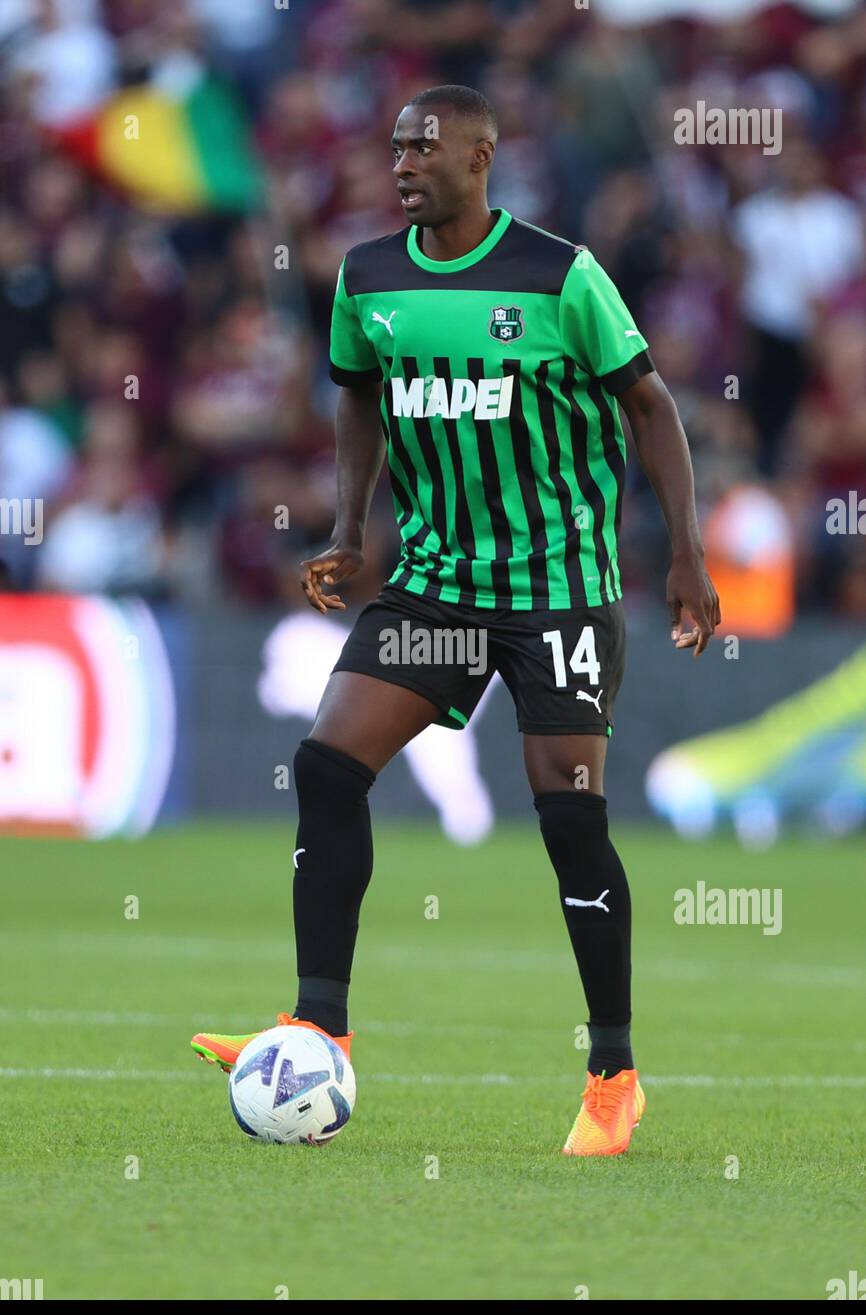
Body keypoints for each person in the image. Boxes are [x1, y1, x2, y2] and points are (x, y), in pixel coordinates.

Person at [192, 85, 720, 1156]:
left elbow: (649, 406)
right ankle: (315, 1022)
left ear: (480, 158)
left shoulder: (558, 274)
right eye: (393, 147)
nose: (402, 163)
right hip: (435, 583)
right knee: (329, 767)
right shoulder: (367, 277)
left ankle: (612, 1073)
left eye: (424, 147)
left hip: (556, 587)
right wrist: (348, 527)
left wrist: (687, 560)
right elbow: (355, 397)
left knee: (569, 820)